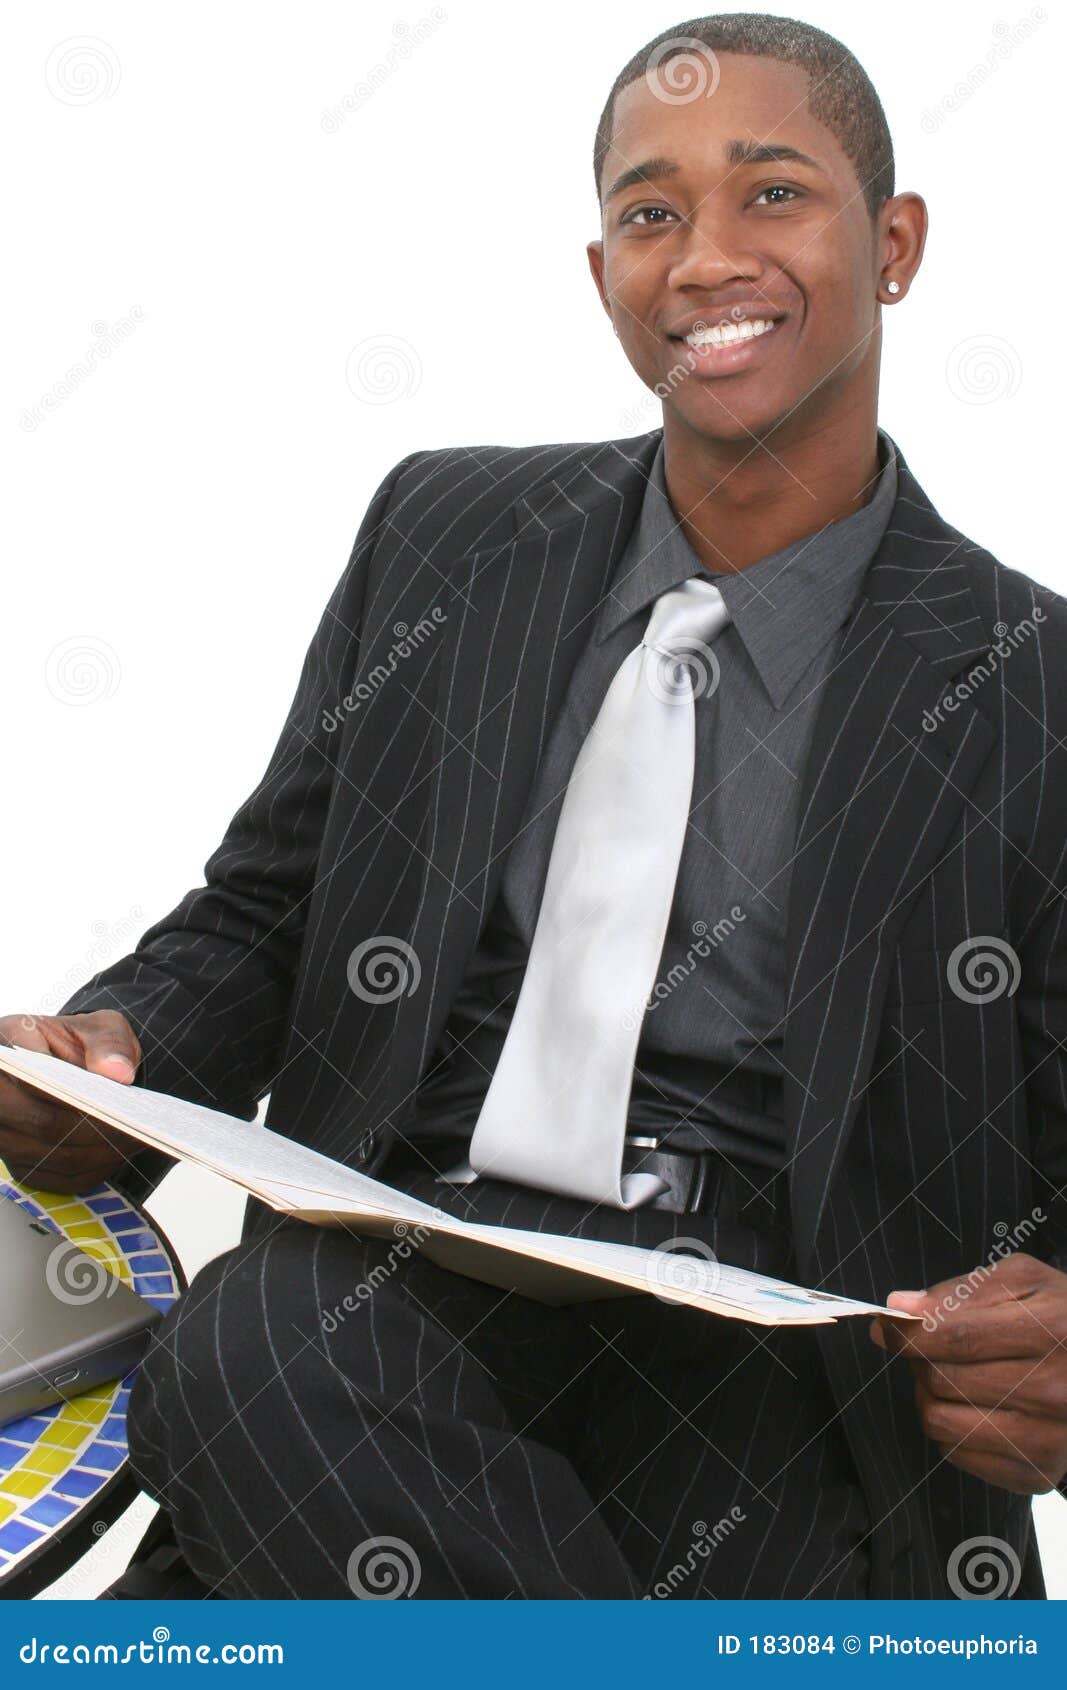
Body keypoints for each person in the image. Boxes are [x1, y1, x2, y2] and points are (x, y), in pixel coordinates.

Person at [2, 13, 1066, 1600]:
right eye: (651, 214)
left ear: (894, 243)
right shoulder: (447, 534)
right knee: (251, 1348)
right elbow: (271, 906)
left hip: (783, 1335)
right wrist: (122, 1058)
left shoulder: (1027, 681)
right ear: (603, 279)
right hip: (397, 1262)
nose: (705, 256)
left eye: (772, 193)